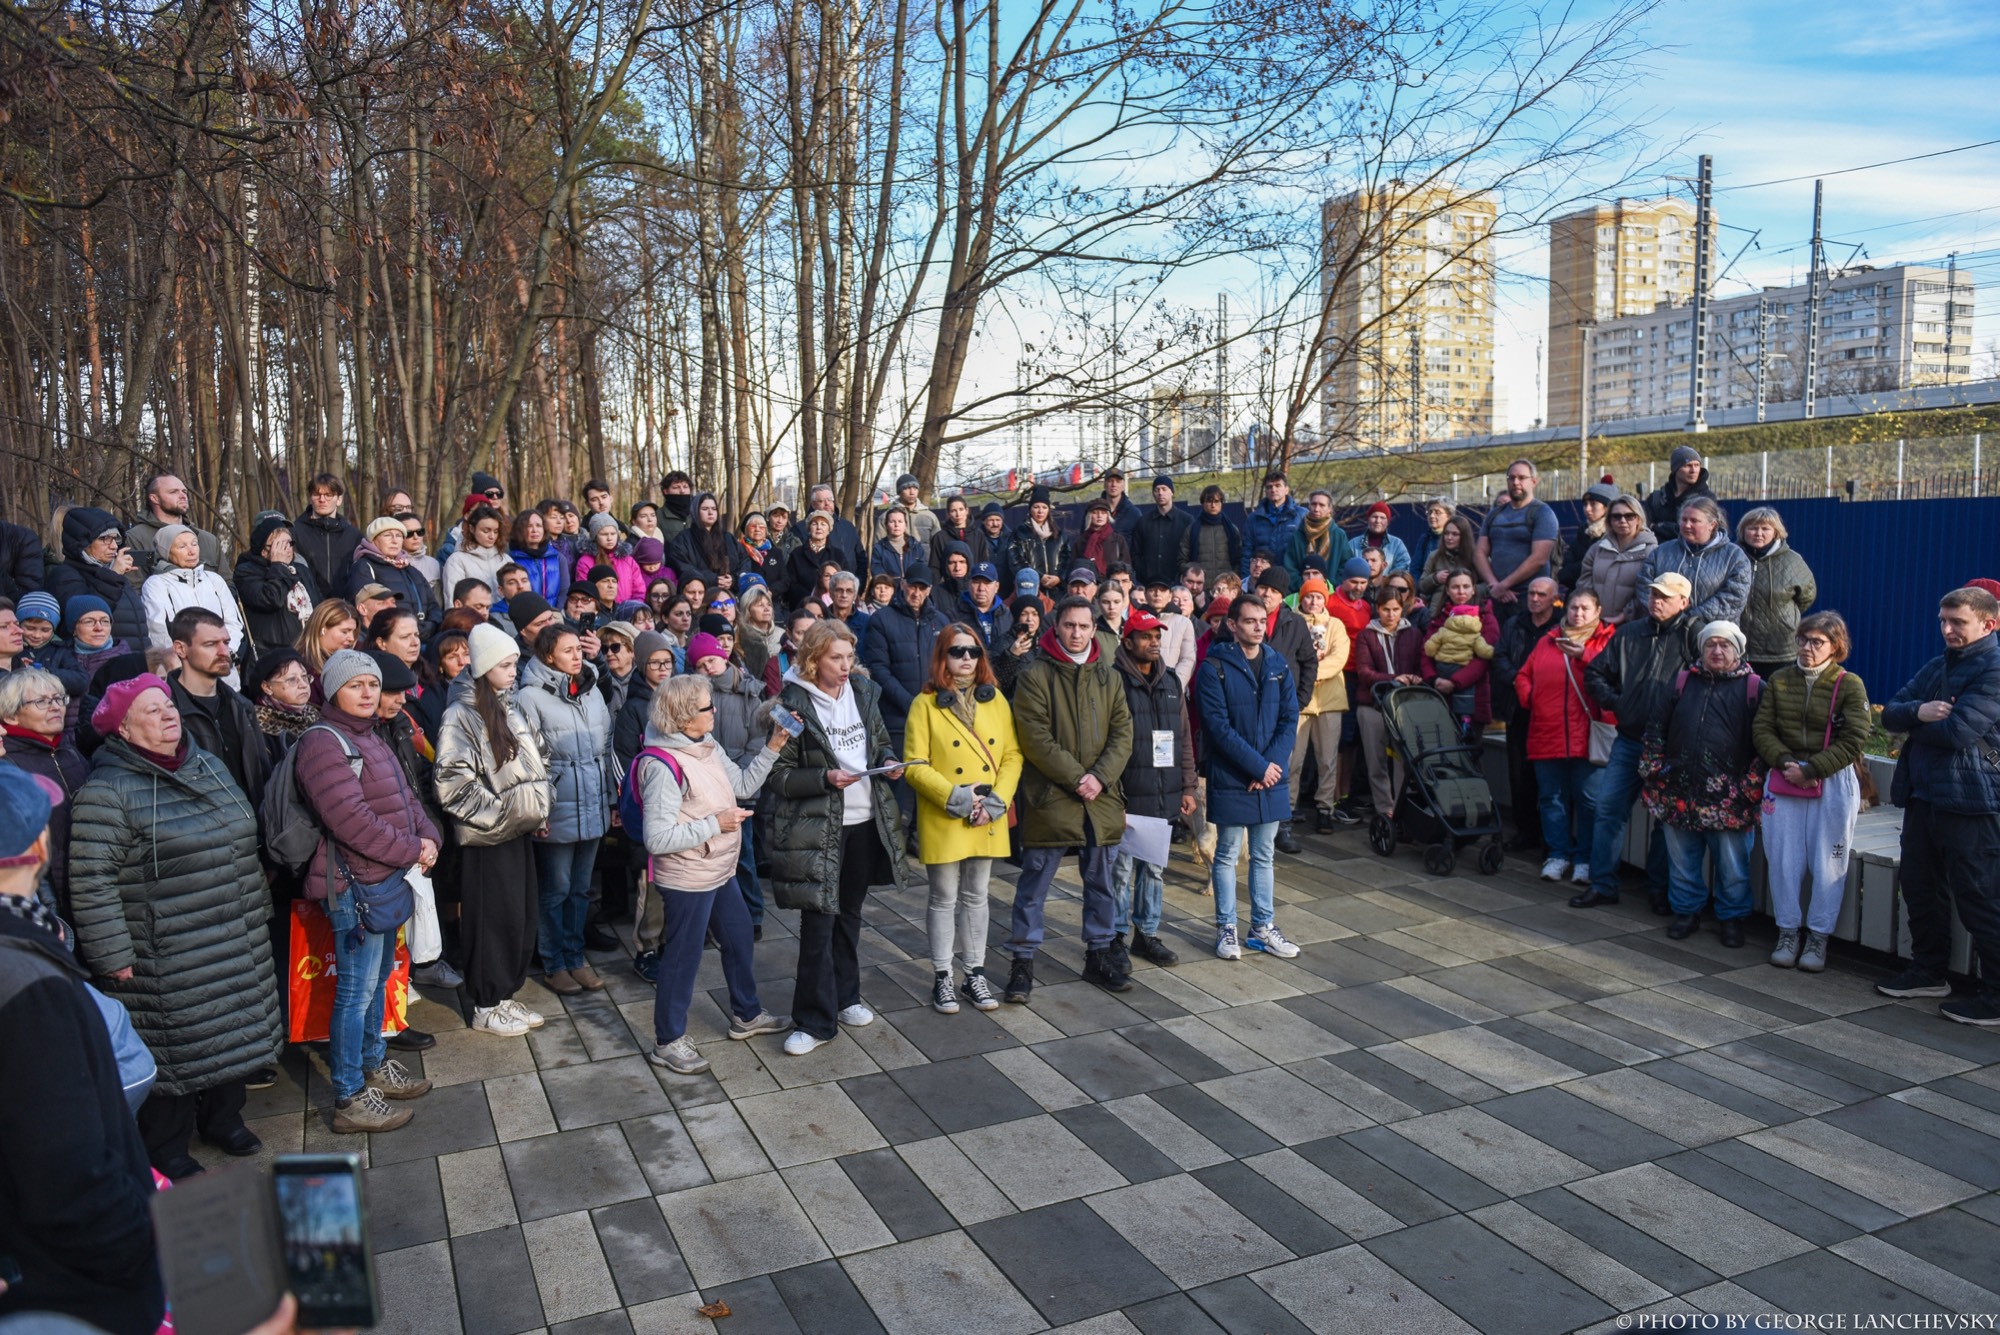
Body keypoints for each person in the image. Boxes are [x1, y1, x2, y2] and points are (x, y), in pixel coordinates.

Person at [68, 675, 283, 1178]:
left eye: (168, 705)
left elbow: (241, 836)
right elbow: (90, 881)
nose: (168, 715)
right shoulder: (108, 791)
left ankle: (224, 1120)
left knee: (233, 1029)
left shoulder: (206, 764)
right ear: (121, 728)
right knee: (174, 1046)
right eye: (151, 711)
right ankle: (165, 1146)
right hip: (165, 944)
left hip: (233, 928)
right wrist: (111, 953)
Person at [0, 764, 165, 1335]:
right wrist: (140, 1251)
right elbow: (66, 1167)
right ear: (39, 845)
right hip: (69, 1286)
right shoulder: (25, 981)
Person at [294, 651, 439, 1132]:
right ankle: (349, 1096)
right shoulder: (323, 743)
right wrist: (410, 848)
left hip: (383, 880)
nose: (367, 693)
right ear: (333, 690)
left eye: (372, 684)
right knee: (355, 992)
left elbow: (405, 797)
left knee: (376, 983)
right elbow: (350, 821)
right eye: (355, 685)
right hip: (354, 885)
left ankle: (374, 1065)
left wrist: (429, 837)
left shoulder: (369, 735)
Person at [637, 675, 792, 1073]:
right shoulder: (661, 765)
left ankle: (746, 1014)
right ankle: (667, 1041)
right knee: (683, 958)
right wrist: (715, 825)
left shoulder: (706, 745)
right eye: (707, 707)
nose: (715, 710)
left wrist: (773, 746)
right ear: (685, 717)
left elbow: (741, 784)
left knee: (739, 937)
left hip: (719, 868)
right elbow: (656, 838)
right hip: (688, 875)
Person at [769, 621, 912, 1054]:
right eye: (836, 657)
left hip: (865, 821)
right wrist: (824, 778)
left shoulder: (864, 691)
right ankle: (812, 1021)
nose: (846, 665)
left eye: (850, 656)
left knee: (849, 914)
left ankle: (846, 996)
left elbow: (879, 741)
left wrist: (887, 760)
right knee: (818, 922)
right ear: (813, 659)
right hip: (817, 829)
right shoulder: (788, 704)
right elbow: (776, 776)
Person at [1876, 585, 2000, 1024]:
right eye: (1943, 621)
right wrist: (1920, 713)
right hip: (1925, 793)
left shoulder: (1994, 669)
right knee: (1920, 886)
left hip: (1972, 801)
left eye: (1957, 622)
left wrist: (1916, 720)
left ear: (1989, 623)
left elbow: (1957, 733)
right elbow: (1889, 714)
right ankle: (1928, 971)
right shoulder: (1938, 665)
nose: (1947, 629)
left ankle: (1996, 994)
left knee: (1979, 896)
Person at [1007, 596, 1135, 999]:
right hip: (1051, 796)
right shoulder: (1035, 674)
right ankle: (1022, 961)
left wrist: (1099, 778)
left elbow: (1123, 733)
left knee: (1101, 884)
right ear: (1056, 627)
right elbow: (1034, 736)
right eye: (1069, 626)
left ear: (1093, 629)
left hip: (1100, 798)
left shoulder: (1108, 676)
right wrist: (1078, 777)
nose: (1077, 633)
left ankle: (1098, 955)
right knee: (1034, 886)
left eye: (1083, 626)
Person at [434, 623, 553, 1036]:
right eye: (505, 664)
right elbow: (453, 783)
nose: (513, 670)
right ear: (484, 668)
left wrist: (538, 807)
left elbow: (537, 758)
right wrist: (503, 814)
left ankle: (503, 995)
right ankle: (485, 1003)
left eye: (514, 662)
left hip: (517, 829)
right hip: (488, 837)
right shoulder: (460, 715)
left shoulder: (509, 705)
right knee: (490, 918)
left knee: (517, 916)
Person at [904, 625, 1021, 1012]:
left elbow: (1012, 756)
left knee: (977, 896)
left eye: (973, 651)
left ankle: (974, 974)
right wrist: (955, 797)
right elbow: (915, 765)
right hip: (945, 813)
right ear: (943, 657)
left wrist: (995, 802)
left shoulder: (996, 701)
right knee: (943, 898)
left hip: (986, 813)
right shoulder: (923, 704)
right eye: (957, 652)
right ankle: (942, 977)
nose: (967, 658)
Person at [1752, 611, 1870, 973]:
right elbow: (1762, 727)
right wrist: (1787, 762)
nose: (1806, 648)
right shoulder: (1781, 679)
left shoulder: (1849, 684)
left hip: (1832, 780)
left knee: (1828, 860)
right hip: (1785, 776)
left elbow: (1855, 737)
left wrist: (1813, 769)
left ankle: (1818, 936)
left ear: (1836, 647)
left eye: (1816, 642)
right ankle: (1788, 932)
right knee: (1783, 858)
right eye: (1802, 640)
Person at [1578, 572, 1696, 911]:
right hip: (1629, 739)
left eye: (1665, 596)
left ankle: (1658, 888)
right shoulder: (1629, 633)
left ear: (1683, 602)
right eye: (1654, 594)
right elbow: (1596, 673)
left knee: (1665, 821)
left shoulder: (1693, 636)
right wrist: (1620, 703)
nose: (1656, 600)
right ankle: (1602, 885)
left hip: (1671, 746)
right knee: (1608, 810)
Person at [1645, 621, 1765, 948]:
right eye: (1710, 644)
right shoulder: (1683, 681)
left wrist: (1749, 786)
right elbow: (1657, 726)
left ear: (1737, 650)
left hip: (1730, 796)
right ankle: (1686, 911)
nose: (1716, 650)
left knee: (1733, 865)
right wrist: (1654, 768)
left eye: (1724, 645)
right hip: (1679, 790)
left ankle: (1732, 918)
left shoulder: (1755, 688)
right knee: (1682, 859)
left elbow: (1765, 744)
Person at [1195, 594, 1302, 960]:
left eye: (1262, 620)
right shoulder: (1214, 667)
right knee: (1226, 853)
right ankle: (1227, 928)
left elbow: (1290, 717)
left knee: (1263, 853)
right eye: (1250, 621)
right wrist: (1257, 767)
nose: (1258, 627)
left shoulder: (1278, 664)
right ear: (1233, 624)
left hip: (1269, 776)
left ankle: (1261, 927)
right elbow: (1218, 728)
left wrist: (1270, 767)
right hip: (1233, 773)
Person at [513, 624, 613, 995]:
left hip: (592, 803)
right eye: (568, 650)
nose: (577, 656)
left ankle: (576, 957)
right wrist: (537, 813)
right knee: (555, 889)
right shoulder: (530, 697)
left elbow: (607, 747)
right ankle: (553, 962)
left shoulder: (590, 692)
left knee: (581, 889)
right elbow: (527, 762)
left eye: (578, 649)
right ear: (547, 655)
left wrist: (611, 801)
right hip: (556, 807)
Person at [1514, 588, 1613, 884]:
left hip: (1588, 736)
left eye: (1585, 608)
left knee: (1588, 801)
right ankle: (1557, 854)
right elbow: (1523, 675)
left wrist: (1584, 655)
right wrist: (1530, 697)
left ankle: (1584, 859)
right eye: (1573, 608)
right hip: (1547, 731)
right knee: (1551, 798)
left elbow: (1616, 675)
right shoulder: (1548, 640)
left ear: (1598, 611)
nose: (1578, 614)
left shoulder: (1607, 641)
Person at [1110, 609, 1191, 967]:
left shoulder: (1171, 682)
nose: (1154, 642)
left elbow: (1184, 738)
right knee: (1121, 870)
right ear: (1128, 642)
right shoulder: (1113, 681)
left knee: (1154, 869)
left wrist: (1188, 786)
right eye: (1145, 636)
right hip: (1127, 792)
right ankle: (1113, 937)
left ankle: (1147, 934)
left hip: (1163, 791)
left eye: (1157, 636)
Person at [0, 668, 89, 915]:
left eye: (59, 699)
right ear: (11, 716)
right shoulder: (9, 766)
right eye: (41, 701)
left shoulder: (69, 751)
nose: (55, 707)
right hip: (50, 891)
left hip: (85, 880)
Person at [165, 608, 268, 805]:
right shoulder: (165, 710)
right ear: (181, 649)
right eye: (210, 644)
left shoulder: (241, 706)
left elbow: (260, 776)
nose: (224, 652)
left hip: (251, 825)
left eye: (226, 643)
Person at [1253, 568, 1318, 853]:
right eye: (1263, 588)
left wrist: (1299, 701)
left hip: (1283, 709)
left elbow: (1309, 663)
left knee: (1282, 768)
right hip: (1248, 708)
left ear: (1283, 596)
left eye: (1274, 591)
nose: (1267, 594)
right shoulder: (1241, 616)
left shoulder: (1295, 623)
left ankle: (1282, 826)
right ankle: (1250, 823)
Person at [1493, 575, 1560, 852]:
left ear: (1554, 598)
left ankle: (1549, 837)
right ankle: (1524, 831)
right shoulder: (1514, 623)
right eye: (1531, 593)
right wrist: (1520, 679)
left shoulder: (1562, 626)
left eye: (1541, 594)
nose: (1534, 598)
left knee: (1547, 777)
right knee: (1518, 773)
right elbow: (1499, 656)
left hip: (1548, 710)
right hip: (1517, 707)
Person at [1351, 589, 1425, 825]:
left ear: (1402, 609)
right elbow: (1364, 672)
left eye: (1395, 609)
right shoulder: (1367, 635)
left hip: (1404, 707)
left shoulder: (1413, 633)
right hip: (1372, 705)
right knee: (1376, 761)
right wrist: (1395, 677)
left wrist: (1416, 678)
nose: (1390, 614)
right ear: (1378, 609)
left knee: (1404, 760)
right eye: (1385, 609)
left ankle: (1403, 808)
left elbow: (1421, 665)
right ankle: (1385, 809)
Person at [859, 562, 946, 751]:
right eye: (913, 586)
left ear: (929, 590)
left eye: (922, 588)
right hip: (896, 719)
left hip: (935, 714)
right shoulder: (882, 619)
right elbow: (878, 669)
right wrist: (910, 703)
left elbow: (947, 666)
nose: (916, 593)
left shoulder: (941, 621)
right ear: (903, 584)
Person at [1292, 573, 1351, 832]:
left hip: (1330, 699)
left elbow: (1340, 657)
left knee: (1327, 759)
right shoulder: (1292, 622)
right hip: (1299, 700)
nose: (1313, 602)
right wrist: (1305, 677)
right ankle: (1288, 807)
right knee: (1293, 759)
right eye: (1308, 597)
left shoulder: (1336, 624)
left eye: (1318, 597)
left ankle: (1325, 808)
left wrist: (1310, 673)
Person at [140, 524, 243, 666]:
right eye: (182, 547)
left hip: (222, 666)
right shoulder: (156, 584)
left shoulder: (214, 580)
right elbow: (158, 630)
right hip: (184, 671)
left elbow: (233, 623)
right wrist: (184, 662)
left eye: (194, 544)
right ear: (166, 552)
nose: (191, 551)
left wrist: (226, 652)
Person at [1640, 496, 1751, 627]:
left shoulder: (1734, 556)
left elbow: (1734, 597)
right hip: (1666, 632)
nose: (1687, 525)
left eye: (1694, 521)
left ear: (1712, 525)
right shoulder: (1661, 552)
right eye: (1684, 520)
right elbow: (1643, 584)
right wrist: (1667, 615)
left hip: (1714, 636)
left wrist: (1690, 619)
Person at [46, 509, 147, 648]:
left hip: (133, 656)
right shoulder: (65, 575)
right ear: (83, 543)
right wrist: (113, 576)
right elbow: (86, 617)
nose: (114, 546)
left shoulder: (111, 573)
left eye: (115, 538)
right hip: (99, 661)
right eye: (105, 539)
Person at [1736, 507, 1817, 680]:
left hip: (1780, 649)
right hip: (1737, 647)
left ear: (1776, 533)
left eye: (1765, 529)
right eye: (1752, 528)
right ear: (1743, 532)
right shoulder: (1731, 556)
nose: (1758, 533)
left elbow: (1807, 596)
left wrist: (1782, 618)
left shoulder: (1792, 561)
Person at [1474, 459, 1559, 619]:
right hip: (1497, 596)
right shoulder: (1494, 514)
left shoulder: (1543, 513)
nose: (1516, 482)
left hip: (1529, 598)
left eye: (1521, 478)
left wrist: (1504, 585)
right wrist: (1495, 585)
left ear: (1534, 481)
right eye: (1511, 478)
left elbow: (1539, 558)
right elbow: (1479, 553)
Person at [234, 515, 322, 657]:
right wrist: (279, 566)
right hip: (270, 654)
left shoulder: (301, 570)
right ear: (264, 550)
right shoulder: (246, 572)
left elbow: (319, 606)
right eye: (279, 545)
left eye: (289, 543)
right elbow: (271, 599)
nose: (286, 549)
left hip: (307, 651)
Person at [1422, 580, 1498, 737]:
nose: (1461, 591)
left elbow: (1483, 660)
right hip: (1439, 691)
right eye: (1455, 587)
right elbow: (1426, 652)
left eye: (1466, 586)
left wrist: (1454, 682)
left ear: (1474, 590)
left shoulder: (1486, 618)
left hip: (1474, 694)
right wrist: (1434, 678)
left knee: (1470, 752)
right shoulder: (1439, 618)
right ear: (1448, 591)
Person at [346, 516, 440, 637]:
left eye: (399, 536)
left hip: (421, 637)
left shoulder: (411, 570)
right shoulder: (364, 567)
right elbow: (364, 610)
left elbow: (433, 605)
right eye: (388, 535)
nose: (395, 540)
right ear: (373, 540)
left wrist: (431, 625)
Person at [1572, 492, 1658, 624]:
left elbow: (1648, 592)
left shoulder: (1651, 551)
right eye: (1616, 516)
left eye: (1629, 516)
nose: (1622, 520)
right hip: (1596, 624)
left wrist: (1623, 616)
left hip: (1634, 625)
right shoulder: (1597, 549)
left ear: (1638, 519)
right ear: (1609, 521)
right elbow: (1584, 585)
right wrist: (1591, 614)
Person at [126, 472, 226, 582]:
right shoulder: (136, 538)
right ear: (155, 498)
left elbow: (227, 583)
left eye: (184, 491)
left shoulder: (207, 540)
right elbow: (134, 586)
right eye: (173, 492)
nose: (183, 496)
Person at [293, 473, 365, 597]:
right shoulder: (295, 532)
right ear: (310, 498)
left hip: (345, 607)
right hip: (307, 607)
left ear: (339, 500)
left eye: (328, 495)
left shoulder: (354, 536)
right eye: (317, 494)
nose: (322, 500)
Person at [243, 647, 319, 762]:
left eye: (304, 677)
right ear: (267, 687)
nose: (303, 684)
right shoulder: (258, 731)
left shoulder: (315, 716)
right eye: (292, 680)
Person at [1643, 444, 1717, 544]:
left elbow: (1698, 530)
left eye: (1697, 465)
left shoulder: (1706, 498)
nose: (1693, 470)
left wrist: (1658, 527)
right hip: (1659, 552)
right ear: (1675, 469)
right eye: (1688, 466)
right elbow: (1644, 527)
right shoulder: (1657, 497)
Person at [665, 494, 740, 592]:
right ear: (695, 512)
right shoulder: (683, 539)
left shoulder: (728, 538)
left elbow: (744, 561)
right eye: (705, 509)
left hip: (728, 594)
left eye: (714, 509)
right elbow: (681, 566)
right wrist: (712, 579)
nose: (710, 513)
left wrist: (733, 579)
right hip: (698, 594)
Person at [1558, 481, 1620, 593]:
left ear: (1607, 508)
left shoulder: (1615, 536)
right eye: (1585, 504)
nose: (1587, 509)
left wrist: (1579, 568)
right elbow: (1563, 575)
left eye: (1593, 504)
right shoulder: (1582, 533)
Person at [1007, 488, 1071, 595]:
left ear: (1048, 510)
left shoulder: (1059, 535)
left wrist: (1059, 577)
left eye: (1044, 507)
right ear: (1030, 509)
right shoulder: (1019, 533)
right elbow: (1015, 561)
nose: (1040, 511)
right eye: (1036, 507)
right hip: (1030, 590)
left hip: (1057, 592)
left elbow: (1067, 559)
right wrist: (1039, 577)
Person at [1283, 490, 1352, 587]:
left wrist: (1330, 585)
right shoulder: (1297, 536)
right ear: (1309, 506)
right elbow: (1290, 567)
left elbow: (1346, 565)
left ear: (1329, 509)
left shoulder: (1339, 535)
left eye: (1322, 505)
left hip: (1331, 594)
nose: (1316, 509)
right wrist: (1302, 585)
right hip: (1302, 593)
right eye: (1313, 504)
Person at [1240, 473, 1303, 579]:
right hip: (1262, 578)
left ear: (1286, 489)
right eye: (1269, 487)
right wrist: (1247, 581)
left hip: (1292, 578)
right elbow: (1247, 553)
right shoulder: (1253, 518)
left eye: (1278, 486)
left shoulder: (1301, 515)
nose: (1273, 490)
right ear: (1265, 491)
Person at [442, 504, 509, 595]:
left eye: (496, 531)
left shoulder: (505, 559)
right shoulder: (457, 561)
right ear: (472, 529)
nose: (492, 536)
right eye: (486, 531)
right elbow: (453, 602)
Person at [1418, 514, 1481, 608]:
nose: (1449, 537)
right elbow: (1422, 587)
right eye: (1446, 533)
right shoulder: (1434, 556)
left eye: (1455, 534)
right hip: (1438, 612)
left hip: (1468, 611)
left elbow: (1488, 585)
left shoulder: (1476, 556)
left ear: (1464, 536)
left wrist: (1468, 588)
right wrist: (1435, 578)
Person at [509, 510, 569, 605]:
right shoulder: (511, 559)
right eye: (529, 526)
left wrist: (556, 611)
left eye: (538, 526)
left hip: (554, 614)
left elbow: (565, 590)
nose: (535, 530)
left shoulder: (557, 557)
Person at [1078, 497, 1131, 577]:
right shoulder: (1081, 541)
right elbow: (1076, 568)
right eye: (1095, 512)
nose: (1099, 516)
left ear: (1107, 516)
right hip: (1089, 585)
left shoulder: (1118, 540)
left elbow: (1126, 567)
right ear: (1089, 516)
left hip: (1113, 585)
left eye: (1103, 513)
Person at [1351, 502, 1409, 574]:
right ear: (1368, 519)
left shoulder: (1397, 544)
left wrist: (1385, 581)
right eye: (1374, 517)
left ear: (1387, 522)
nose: (1378, 521)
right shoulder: (1353, 544)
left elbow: (1403, 567)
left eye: (1382, 518)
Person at [887, 473, 942, 546]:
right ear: (899, 491)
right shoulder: (887, 517)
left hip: (925, 557)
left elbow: (938, 546)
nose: (912, 492)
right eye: (907, 488)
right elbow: (879, 549)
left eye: (915, 488)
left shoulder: (930, 516)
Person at [869, 507, 923, 581]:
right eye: (892, 522)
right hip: (890, 588)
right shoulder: (879, 548)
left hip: (912, 588)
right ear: (886, 525)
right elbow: (878, 574)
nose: (896, 525)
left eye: (900, 521)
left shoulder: (915, 546)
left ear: (905, 525)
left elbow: (921, 569)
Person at [1411, 498, 1453, 578]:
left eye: (1437, 512)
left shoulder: (1455, 539)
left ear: (1449, 515)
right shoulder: (1424, 539)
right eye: (1429, 512)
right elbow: (1415, 569)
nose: (1432, 516)